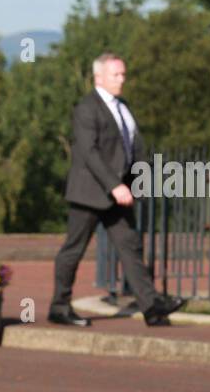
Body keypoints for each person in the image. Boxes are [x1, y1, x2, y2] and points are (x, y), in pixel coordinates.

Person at [50, 52, 186, 327]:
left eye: (124, 74)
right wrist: (114, 186)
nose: (122, 79)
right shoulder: (87, 107)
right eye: (116, 74)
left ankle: (151, 307)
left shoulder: (123, 106)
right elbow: (89, 152)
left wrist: (139, 182)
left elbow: (133, 148)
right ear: (99, 77)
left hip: (119, 194)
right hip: (90, 193)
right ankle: (59, 307)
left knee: (130, 247)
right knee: (73, 249)